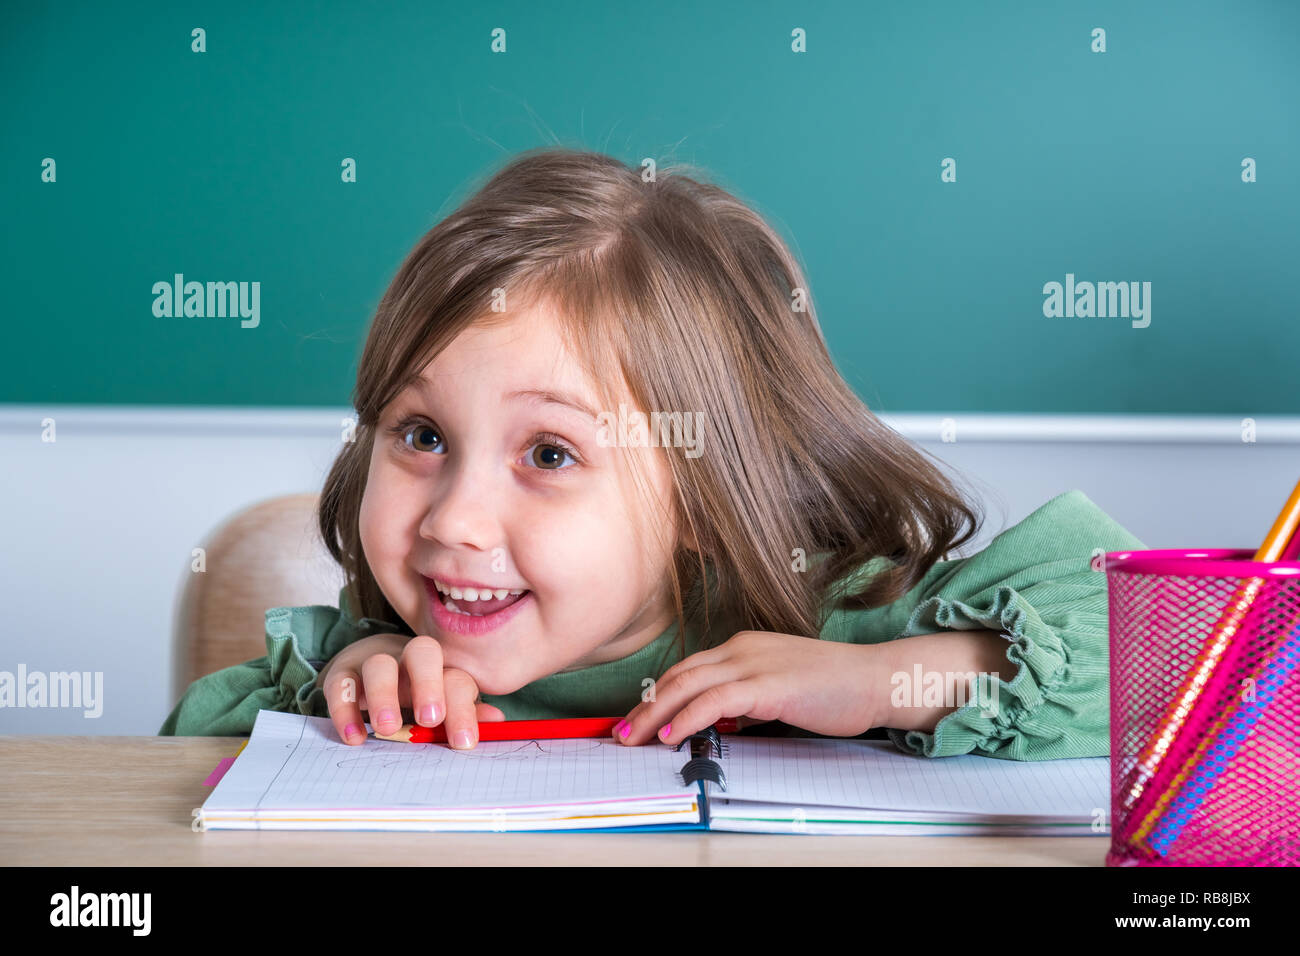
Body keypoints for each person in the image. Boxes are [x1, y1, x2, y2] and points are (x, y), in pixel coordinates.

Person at [160, 147, 1144, 760]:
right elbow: (159, 777)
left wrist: (884, 682)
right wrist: (342, 686)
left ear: (701, 498)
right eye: (421, 436)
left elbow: (1174, 664)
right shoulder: (373, 657)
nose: (452, 519)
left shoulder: (830, 626)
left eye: (548, 452)